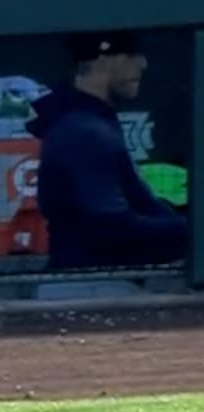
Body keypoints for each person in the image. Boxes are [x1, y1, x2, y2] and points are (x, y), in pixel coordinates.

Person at [27, 31, 187, 270]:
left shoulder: (92, 121)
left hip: (99, 284)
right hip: (87, 289)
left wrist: (185, 227)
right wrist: (191, 232)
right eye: (132, 53)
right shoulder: (82, 131)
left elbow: (143, 206)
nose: (143, 64)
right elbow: (110, 228)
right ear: (102, 58)